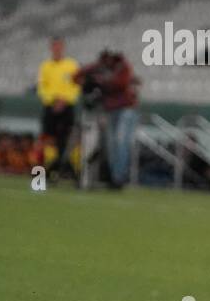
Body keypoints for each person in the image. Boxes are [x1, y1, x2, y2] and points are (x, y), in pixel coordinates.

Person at [74, 50, 140, 189]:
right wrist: (92, 77)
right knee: (110, 145)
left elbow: (119, 83)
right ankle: (112, 177)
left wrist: (101, 80)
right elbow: (77, 75)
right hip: (108, 110)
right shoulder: (101, 67)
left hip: (124, 109)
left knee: (120, 142)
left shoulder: (123, 67)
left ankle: (118, 177)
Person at [36, 37, 80, 179]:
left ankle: (60, 169)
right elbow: (42, 87)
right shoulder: (45, 66)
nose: (57, 49)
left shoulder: (72, 65)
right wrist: (54, 99)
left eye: (59, 46)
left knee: (65, 140)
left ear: (63, 47)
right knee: (47, 140)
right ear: (51, 48)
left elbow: (76, 87)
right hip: (50, 107)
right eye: (55, 46)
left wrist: (64, 100)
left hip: (67, 108)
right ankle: (46, 171)